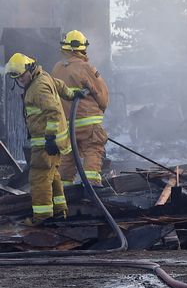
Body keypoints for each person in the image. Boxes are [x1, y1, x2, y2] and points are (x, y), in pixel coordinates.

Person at [5, 53, 78, 225]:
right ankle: (60, 212)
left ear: (30, 69)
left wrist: (50, 139)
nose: (20, 80)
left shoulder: (38, 88)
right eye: (16, 78)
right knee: (52, 176)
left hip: (46, 143)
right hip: (51, 141)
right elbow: (60, 85)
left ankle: (43, 218)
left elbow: (53, 111)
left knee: (38, 179)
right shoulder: (44, 76)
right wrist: (73, 94)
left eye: (21, 76)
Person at [52, 30, 110, 189]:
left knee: (67, 156)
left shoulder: (57, 68)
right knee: (93, 148)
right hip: (88, 123)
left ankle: (63, 190)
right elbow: (102, 95)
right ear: (82, 49)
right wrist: (102, 107)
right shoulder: (86, 68)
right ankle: (91, 186)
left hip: (66, 125)